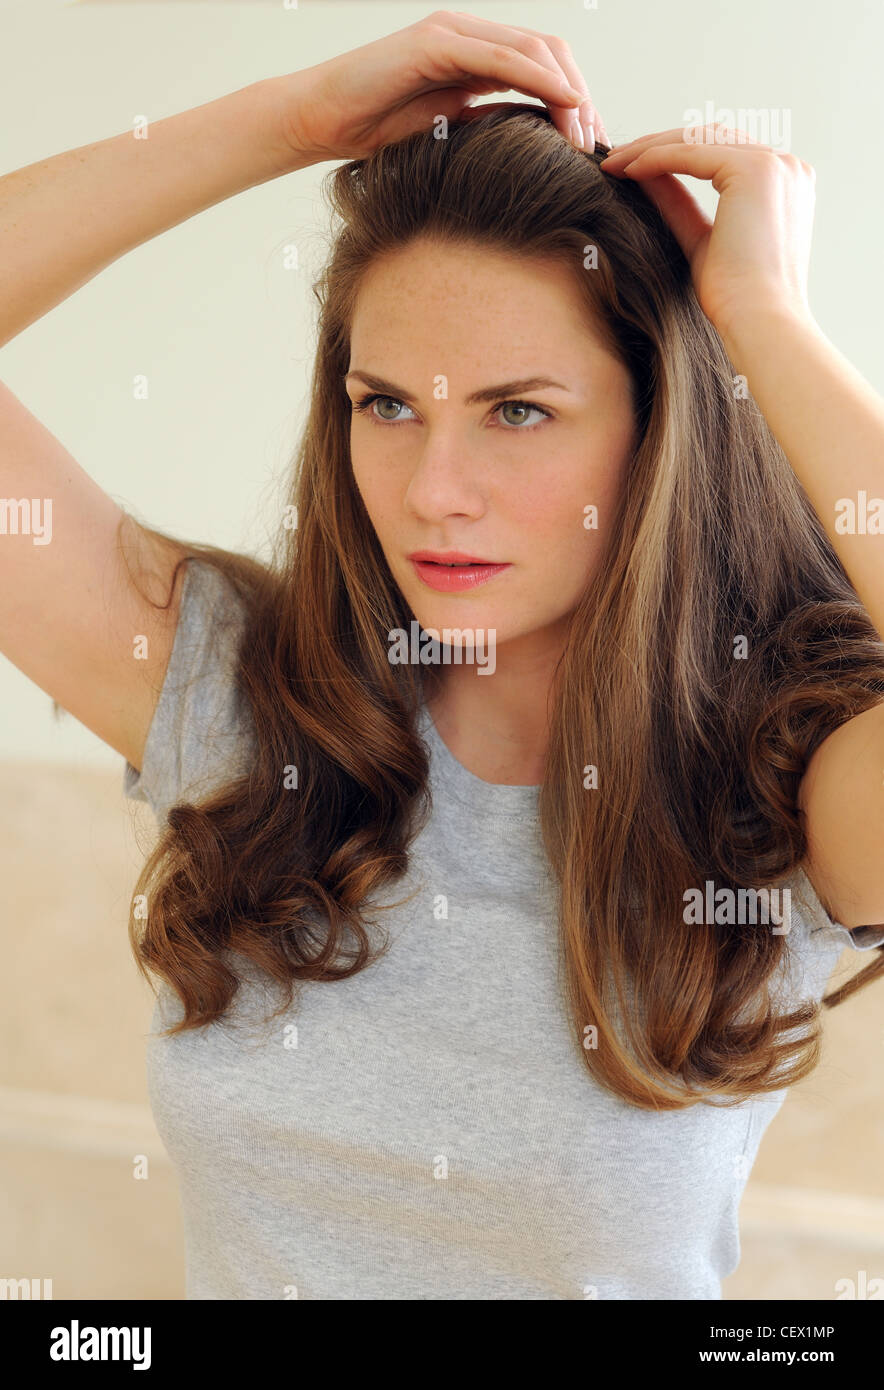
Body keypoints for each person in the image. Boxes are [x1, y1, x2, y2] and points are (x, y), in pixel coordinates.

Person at [2, 10, 883, 1300]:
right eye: (388, 406)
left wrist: (758, 316)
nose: (434, 491)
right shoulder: (244, 699)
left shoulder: (786, 791)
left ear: (660, 431)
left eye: (518, 411)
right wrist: (294, 121)